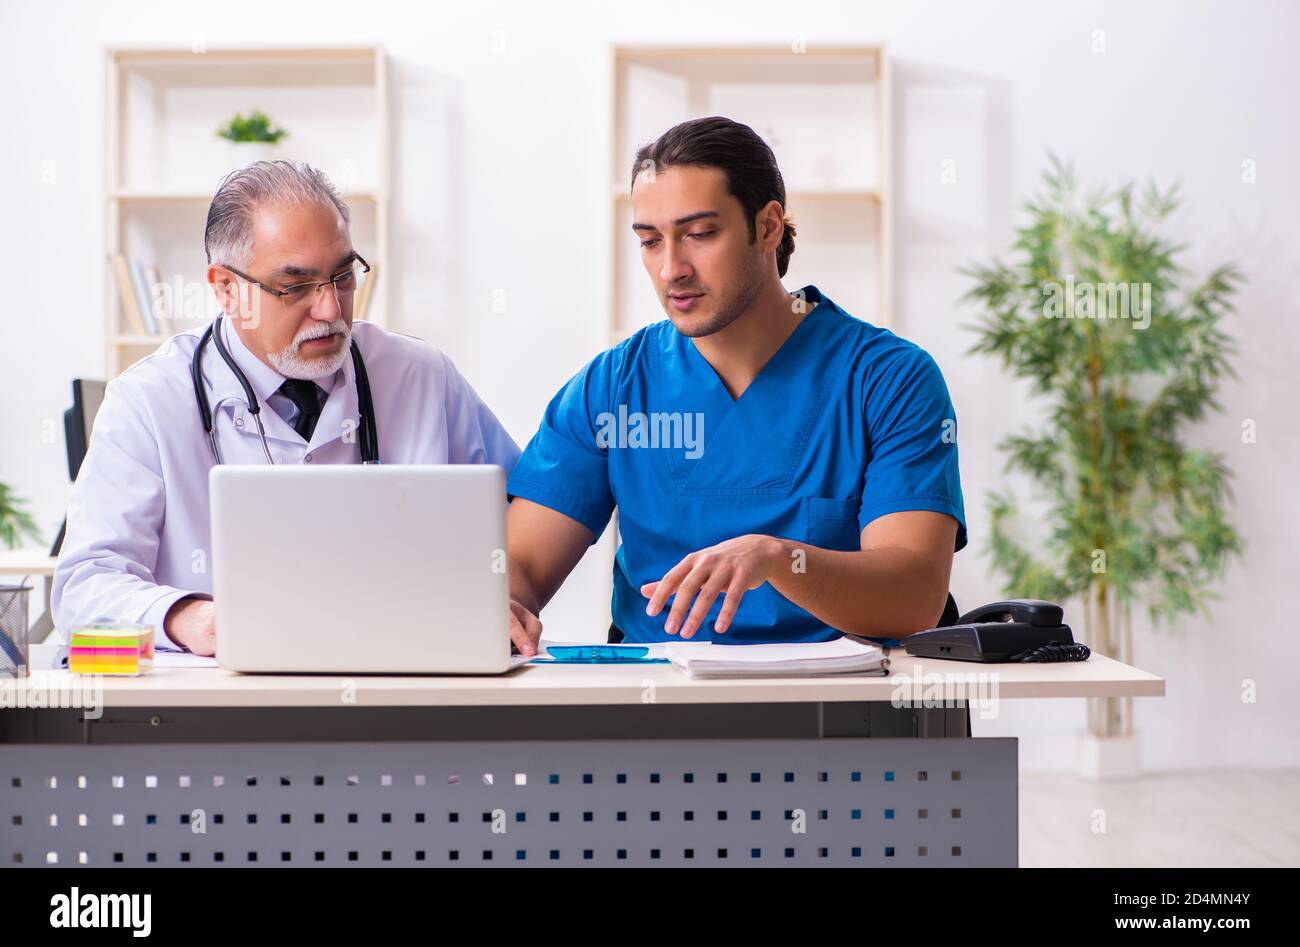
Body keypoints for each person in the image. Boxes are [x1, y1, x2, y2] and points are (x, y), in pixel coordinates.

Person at [506, 117, 965, 656]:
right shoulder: (613, 388)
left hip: (848, 708)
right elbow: (521, 565)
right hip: (658, 709)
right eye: (651, 241)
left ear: (768, 226)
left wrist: (777, 559)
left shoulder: (888, 380)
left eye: (700, 235)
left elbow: (913, 595)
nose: (670, 269)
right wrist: (501, 602)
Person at [53, 161, 519, 656]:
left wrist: (491, 593)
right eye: (294, 286)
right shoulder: (147, 401)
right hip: (226, 709)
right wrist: (189, 616)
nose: (330, 310)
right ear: (225, 289)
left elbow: (527, 513)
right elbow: (83, 586)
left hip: (404, 685)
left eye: (342, 276)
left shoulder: (422, 374)